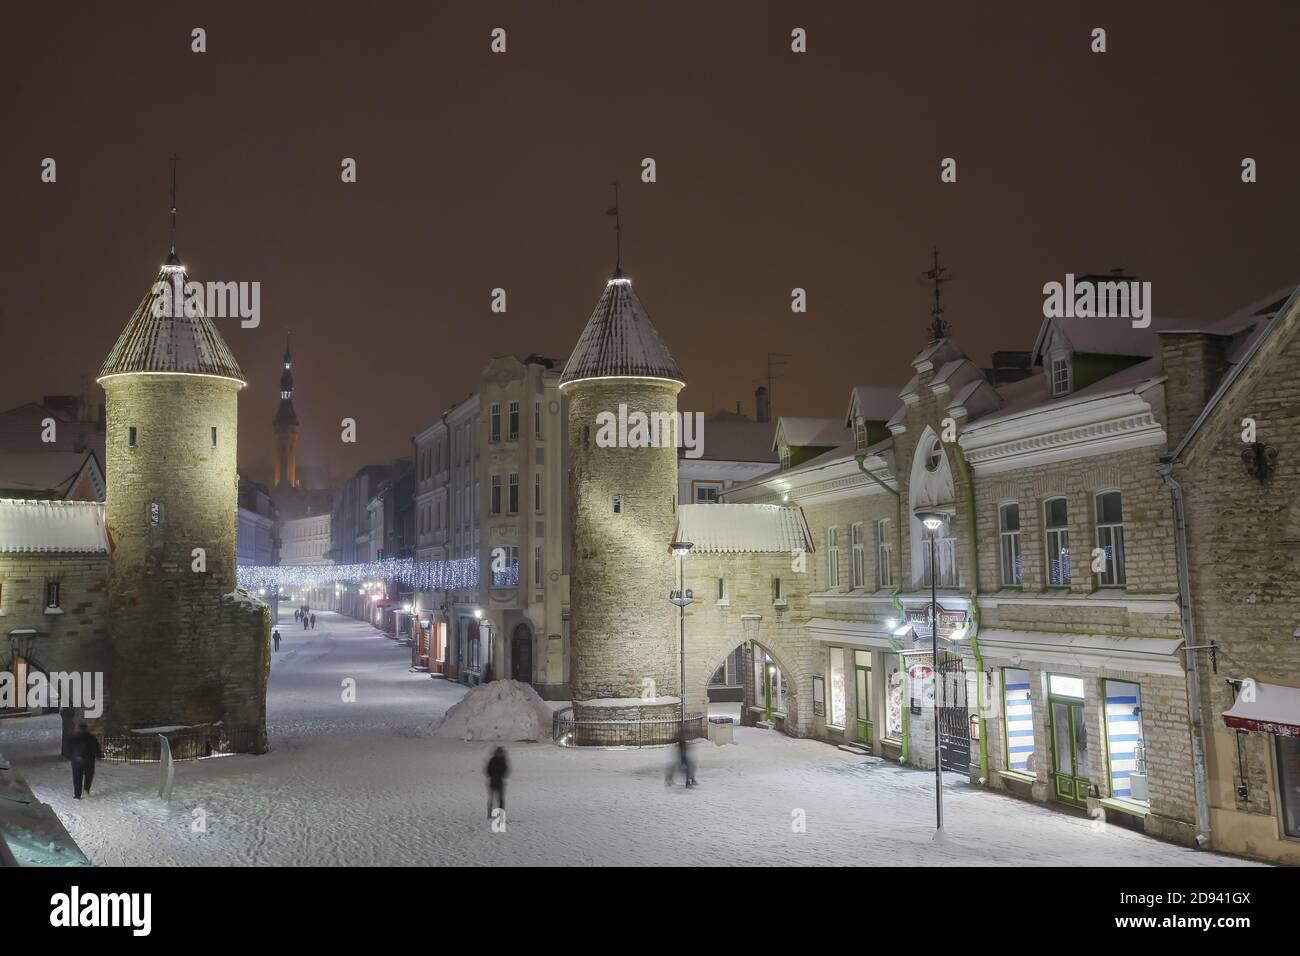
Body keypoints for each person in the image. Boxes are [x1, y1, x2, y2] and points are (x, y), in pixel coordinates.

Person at [68, 722, 101, 799]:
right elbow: (96, 747)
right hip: (89, 760)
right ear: (86, 729)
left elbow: (68, 748)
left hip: (76, 760)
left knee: (77, 777)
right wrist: (98, 755)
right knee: (88, 776)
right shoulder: (91, 737)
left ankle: (77, 794)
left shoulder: (73, 738)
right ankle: (86, 789)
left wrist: (71, 757)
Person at [486, 746, 509, 818]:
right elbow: (488, 770)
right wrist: (493, 776)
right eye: (498, 753)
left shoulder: (503, 760)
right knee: (491, 799)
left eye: (500, 753)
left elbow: (505, 771)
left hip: (500, 782)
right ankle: (489, 814)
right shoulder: (492, 760)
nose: (499, 754)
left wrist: (500, 776)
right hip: (493, 782)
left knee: (501, 799)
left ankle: (501, 814)